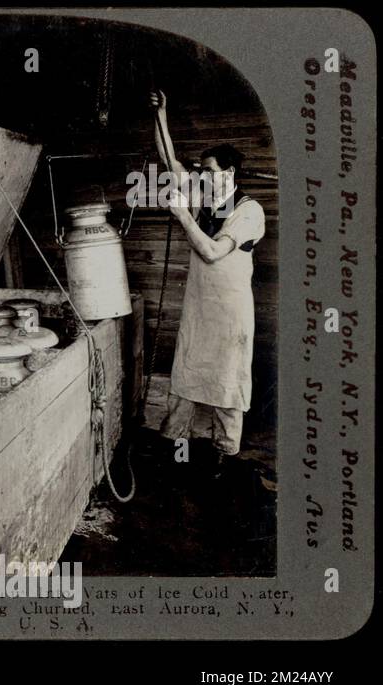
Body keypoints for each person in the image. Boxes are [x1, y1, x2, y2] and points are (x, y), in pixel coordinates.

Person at [150, 90, 266, 479]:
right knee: (186, 372)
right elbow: (170, 161)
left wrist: (183, 218)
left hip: (231, 314)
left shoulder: (250, 211)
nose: (203, 177)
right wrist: (161, 115)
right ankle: (174, 443)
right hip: (199, 307)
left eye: (210, 171)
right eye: (201, 172)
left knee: (227, 383)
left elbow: (214, 253)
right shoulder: (204, 197)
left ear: (229, 173)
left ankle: (224, 453)